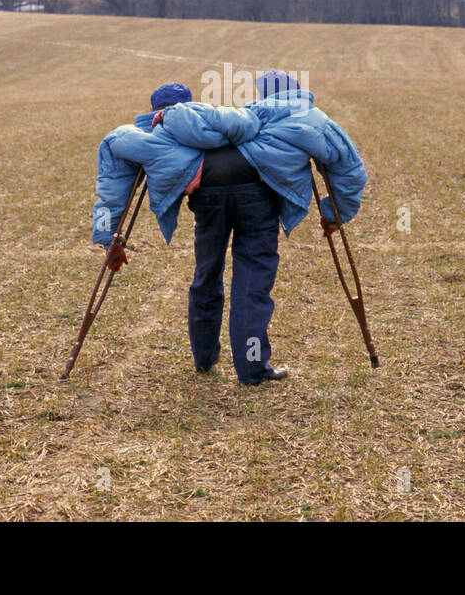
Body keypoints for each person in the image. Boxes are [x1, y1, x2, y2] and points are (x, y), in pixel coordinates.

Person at [91, 72, 366, 385]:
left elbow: (113, 189)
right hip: (256, 196)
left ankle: (204, 358)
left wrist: (108, 236)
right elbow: (349, 170)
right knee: (252, 280)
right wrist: (334, 214)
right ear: (298, 91)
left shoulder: (171, 129)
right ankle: (252, 368)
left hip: (209, 195)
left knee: (207, 272)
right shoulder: (293, 119)